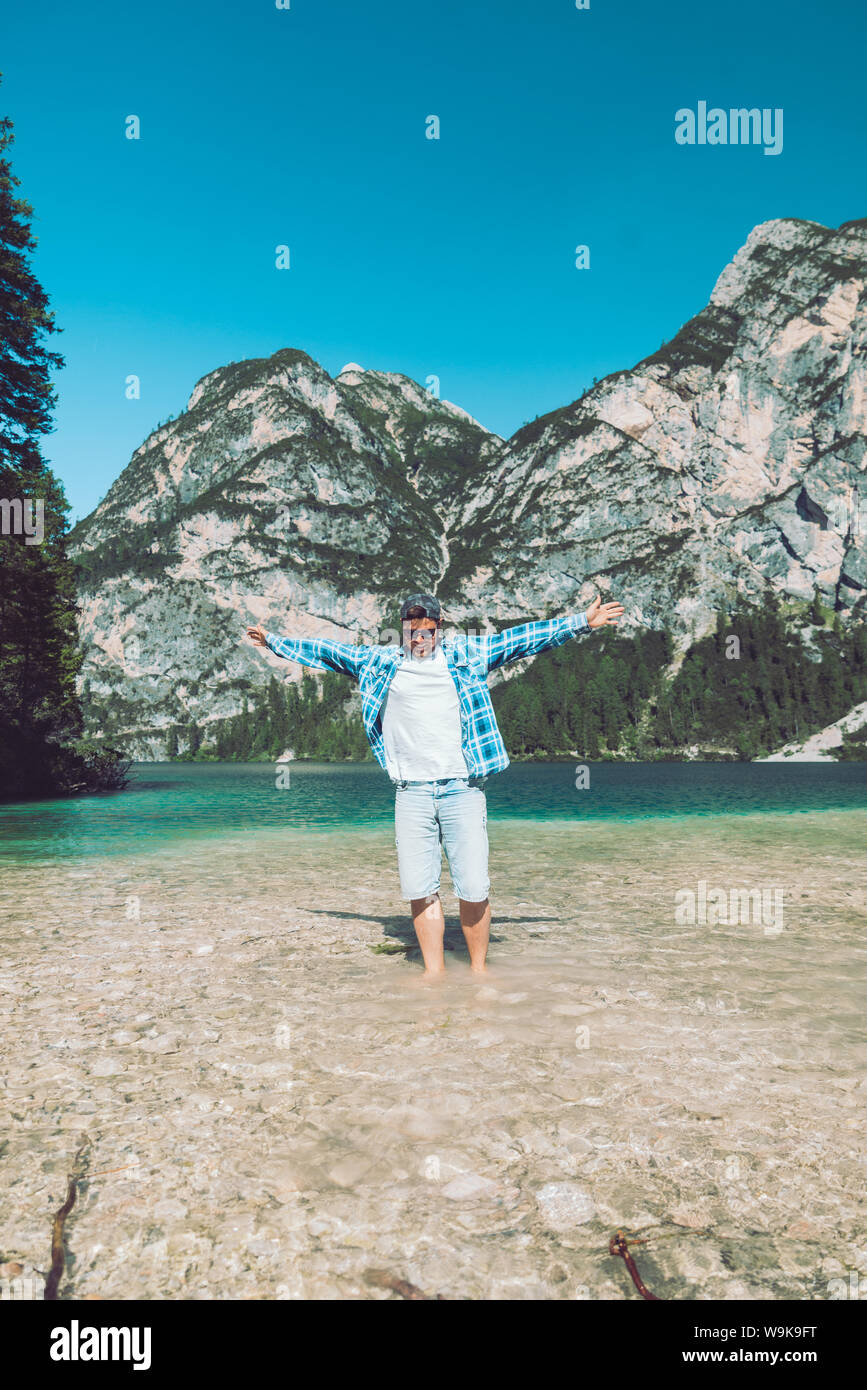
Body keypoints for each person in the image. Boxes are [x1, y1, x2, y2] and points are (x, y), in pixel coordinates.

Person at [246, 591, 623, 977]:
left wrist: (580, 622)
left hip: (462, 788)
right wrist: (275, 642)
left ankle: (478, 972)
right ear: (403, 629)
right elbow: (326, 651)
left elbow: (522, 639)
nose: (419, 638)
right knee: (420, 888)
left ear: (439, 626)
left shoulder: (468, 654)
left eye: (427, 630)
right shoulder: (379, 661)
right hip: (411, 793)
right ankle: (434, 975)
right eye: (412, 630)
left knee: (474, 887)